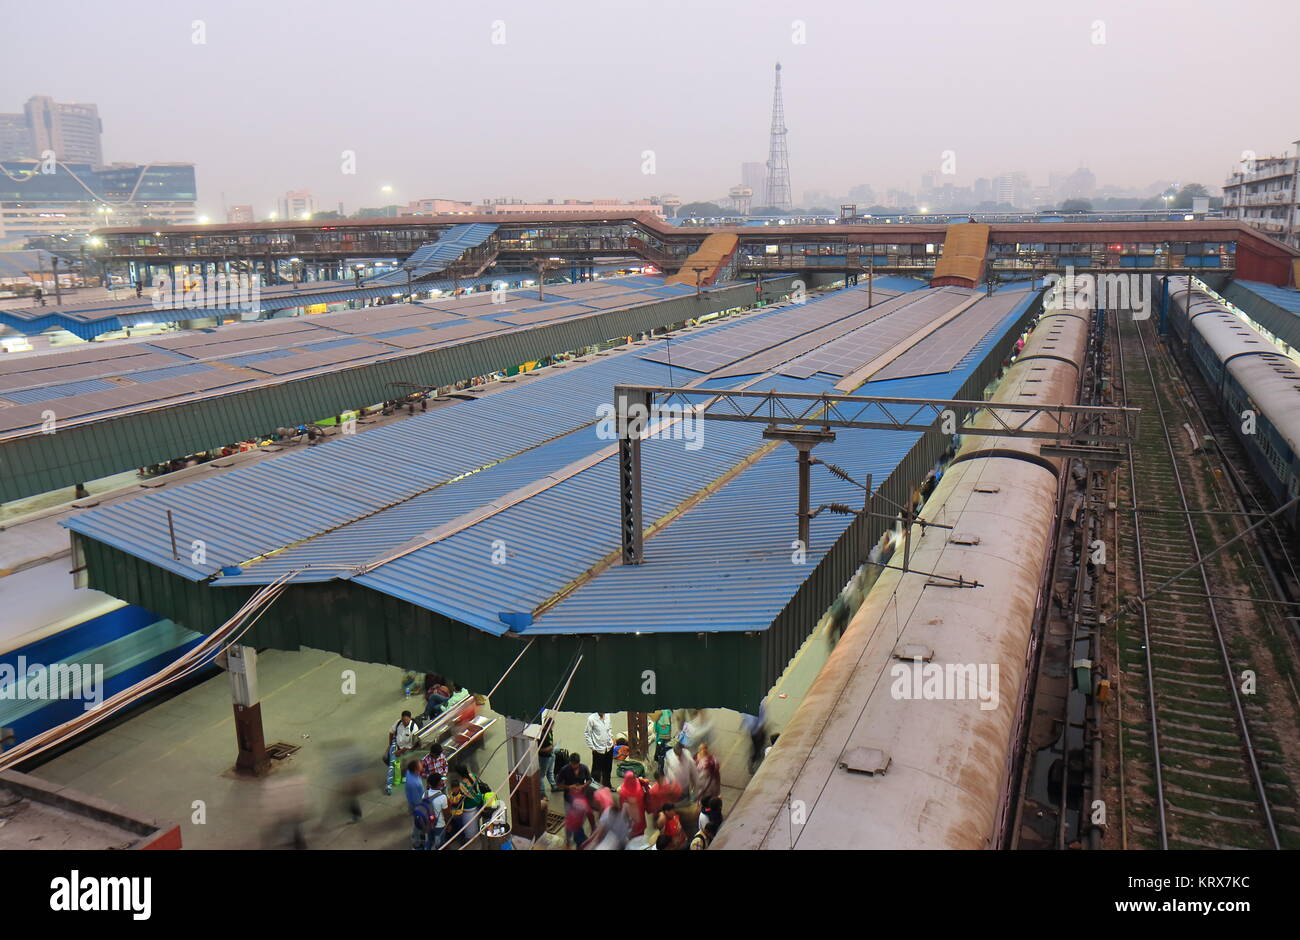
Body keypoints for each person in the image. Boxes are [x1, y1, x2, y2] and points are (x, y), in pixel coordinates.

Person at [385, 711, 420, 795]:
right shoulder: (398, 723)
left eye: (406, 721)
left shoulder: (414, 728)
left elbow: (412, 745)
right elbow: (391, 732)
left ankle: (404, 775)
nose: (404, 722)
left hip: (407, 748)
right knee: (392, 764)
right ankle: (388, 786)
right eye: (403, 720)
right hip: (396, 744)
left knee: (406, 761)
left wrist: (400, 751)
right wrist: (390, 745)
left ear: (410, 719)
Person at [585, 711, 614, 788]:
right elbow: (587, 734)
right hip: (598, 749)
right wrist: (592, 747)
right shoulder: (591, 719)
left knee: (608, 768)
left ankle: (607, 785)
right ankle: (594, 788)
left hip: (608, 747)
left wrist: (611, 739)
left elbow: (609, 728)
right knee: (596, 771)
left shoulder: (608, 715)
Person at [403, 760, 426, 849]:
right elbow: (417, 800)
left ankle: (420, 834)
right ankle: (416, 842)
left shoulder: (409, 772)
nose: (422, 767)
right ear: (415, 769)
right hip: (417, 804)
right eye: (420, 766)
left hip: (410, 799)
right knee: (418, 823)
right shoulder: (414, 784)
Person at [618, 770, 647, 838]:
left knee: (630, 833)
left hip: (629, 818)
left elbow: (622, 805)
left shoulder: (623, 792)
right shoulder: (638, 784)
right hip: (640, 815)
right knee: (640, 832)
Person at [425, 773, 450, 850]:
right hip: (439, 825)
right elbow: (446, 814)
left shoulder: (425, 794)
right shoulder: (442, 797)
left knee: (429, 840)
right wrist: (448, 825)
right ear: (439, 783)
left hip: (428, 824)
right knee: (439, 844)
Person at [695, 741, 721, 806]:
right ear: (699, 750)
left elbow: (717, 772)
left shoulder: (712, 760)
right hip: (701, 786)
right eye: (701, 749)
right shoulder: (696, 759)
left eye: (705, 748)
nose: (703, 750)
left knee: (709, 801)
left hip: (710, 786)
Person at [536, 712, 556, 795]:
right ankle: (542, 793)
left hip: (551, 755)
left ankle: (554, 786)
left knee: (550, 772)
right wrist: (548, 748)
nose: (552, 727)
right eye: (551, 726)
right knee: (541, 776)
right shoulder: (541, 735)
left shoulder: (550, 732)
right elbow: (538, 749)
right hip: (544, 758)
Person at [652, 708, 673, 774]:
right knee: (666, 749)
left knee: (659, 749)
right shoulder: (669, 712)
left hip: (659, 738)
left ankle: (658, 760)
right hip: (667, 737)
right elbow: (670, 724)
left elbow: (655, 728)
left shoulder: (658, 713)